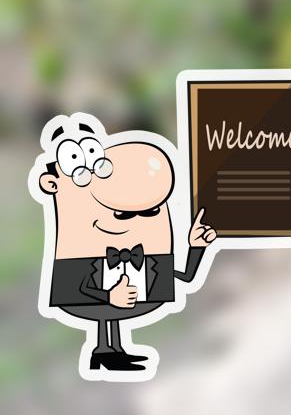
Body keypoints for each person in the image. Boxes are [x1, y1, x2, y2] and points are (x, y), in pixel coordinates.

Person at [31, 115, 216, 378]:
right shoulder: (79, 255)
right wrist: (109, 297)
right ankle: (104, 351)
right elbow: (77, 289)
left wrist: (195, 245)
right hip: (96, 298)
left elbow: (185, 277)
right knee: (107, 311)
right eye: (123, 214)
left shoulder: (149, 256)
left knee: (112, 313)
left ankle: (111, 350)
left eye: (151, 211)